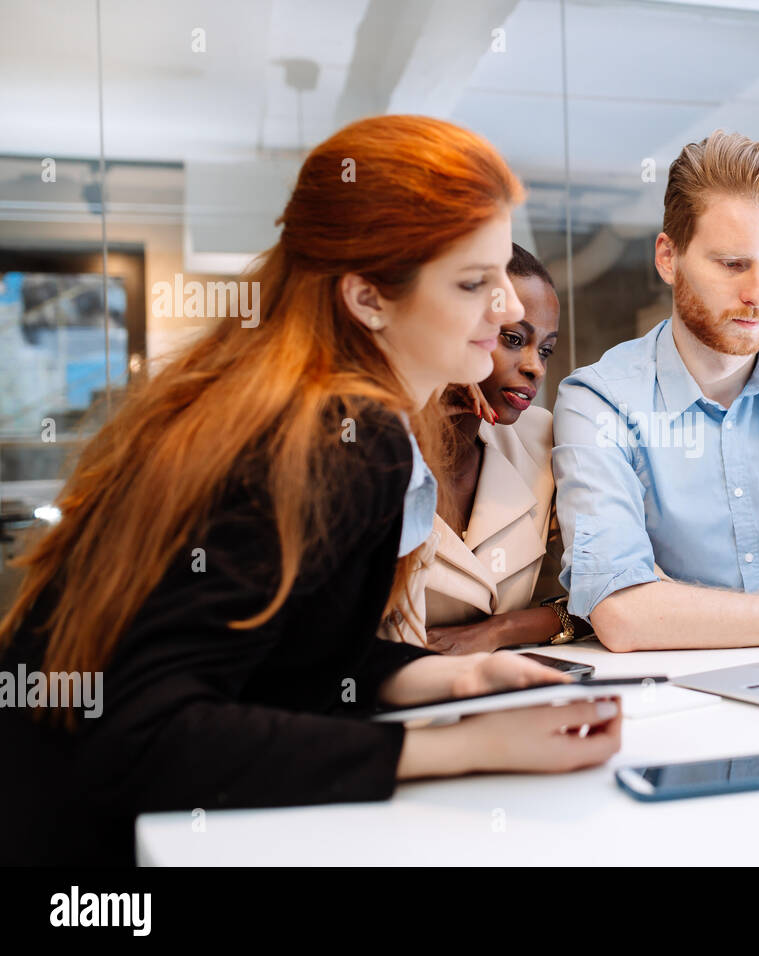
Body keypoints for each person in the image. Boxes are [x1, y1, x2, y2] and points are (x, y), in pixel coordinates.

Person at [0, 115, 620, 866]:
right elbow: (146, 730)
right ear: (368, 299)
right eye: (473, 283)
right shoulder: (333, 440)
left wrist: (456, 674)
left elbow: (281, 658)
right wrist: (462, 747)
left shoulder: (318, 411)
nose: (512, 310)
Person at [552, 130, 759, 653]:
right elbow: (622, 613)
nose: (758, 294)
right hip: (658, 695)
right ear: (669, 257)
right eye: (733, 264)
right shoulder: (599, 402)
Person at [383, 244, 592, 653]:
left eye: (545, 349)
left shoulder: (542, 437)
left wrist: (500, 630)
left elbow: (610, 589)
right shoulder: (367, 439)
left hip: (499, 690)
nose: (536, 367)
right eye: (513, 339)